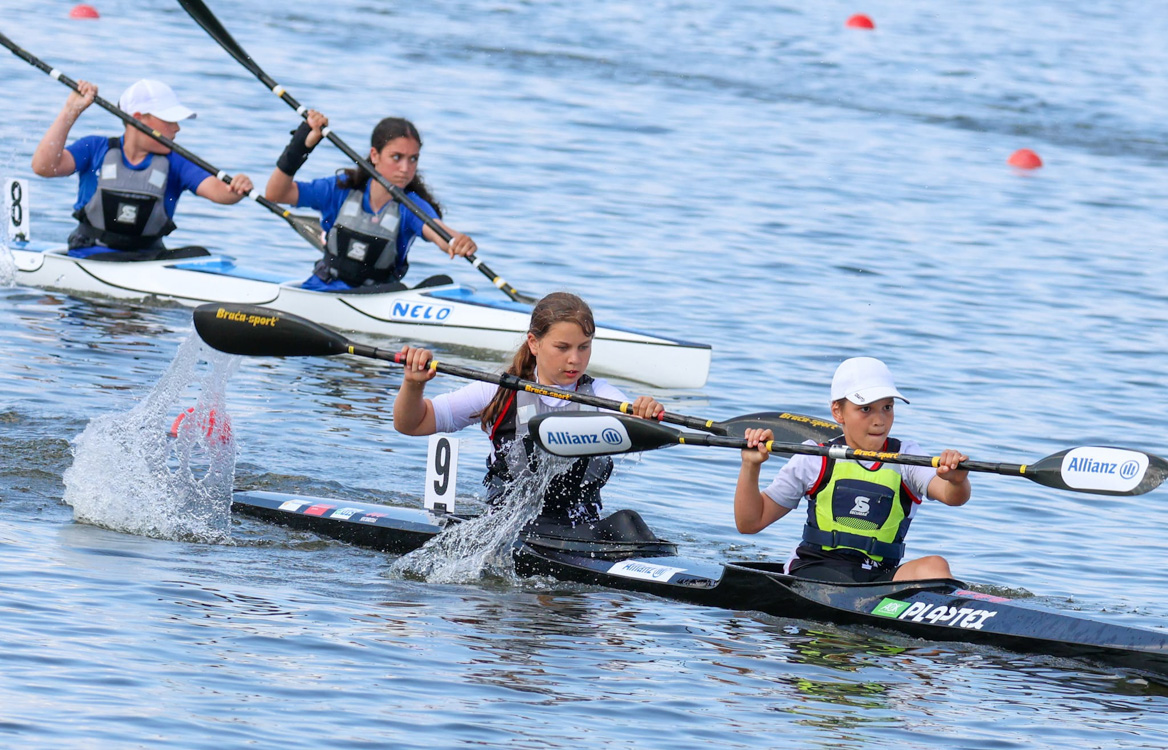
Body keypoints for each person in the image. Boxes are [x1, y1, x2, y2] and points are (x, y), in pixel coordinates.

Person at [393, 292, 662, 531]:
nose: (575, 359)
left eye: (584, 347)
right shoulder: (498, 390)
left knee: (628, 522)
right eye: (563, 347)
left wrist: (644, 414)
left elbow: (635, 425)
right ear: (534, 343)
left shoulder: (602, 397)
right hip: (507, 525)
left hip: (580, 527)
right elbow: (413, 424)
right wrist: (413, 385)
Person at [734, 357, 971, 583]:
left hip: (878, 577)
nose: (880, 420)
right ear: (838, 411)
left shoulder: (907, 457)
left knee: (936, 566)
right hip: (814, 569)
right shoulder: (814, 458)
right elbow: (750, 523)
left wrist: (956, 480)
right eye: (866, 409)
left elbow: (952, 497)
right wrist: (751, 465)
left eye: (887, 407)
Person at [30, 79, 253, 259]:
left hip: (146, 260)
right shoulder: (95, 147)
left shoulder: (176, 162)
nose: (177, 128)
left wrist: (236, 188)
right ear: (139, 119)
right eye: (169, 120)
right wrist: (71, 111)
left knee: (199, 254)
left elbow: (218, 191)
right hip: (89, 255)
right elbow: (43, 167)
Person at [264, 111, 477, 291]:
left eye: (413, 159)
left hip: (375, 300)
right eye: (397, 157)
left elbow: (440, 234)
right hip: (321, 289)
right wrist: (301, 144)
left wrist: (457, 241)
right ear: (374, 156)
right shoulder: (341, 189)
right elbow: (276, 193)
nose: (406, 168)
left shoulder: (410, 206)